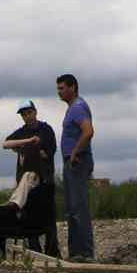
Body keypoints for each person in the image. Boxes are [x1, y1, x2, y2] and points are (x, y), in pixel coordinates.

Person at [0, 100, 61, 256]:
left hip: (44, 179)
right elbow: (5, 143)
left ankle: (53, 252)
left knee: (48, 217)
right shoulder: (22, 131)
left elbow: (45, 150)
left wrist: (26, 150)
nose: (26, 116)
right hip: (24, 180)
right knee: (29, 217)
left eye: (29, 113)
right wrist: (27, 142)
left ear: (35, 112)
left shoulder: (45, 129)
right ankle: (35, 252)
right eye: (23, 114)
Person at [57, 74, 96, 261]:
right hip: (71, 162)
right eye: (58, 88)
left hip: (77, 161)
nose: (59, 92)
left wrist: (74, 152)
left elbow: (88, 131)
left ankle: (86, 253)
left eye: (62, 88)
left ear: (73, 87)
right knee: (72, 209)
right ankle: (76, 253)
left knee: (79, 208)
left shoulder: (78, 107)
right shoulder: (72, 108)